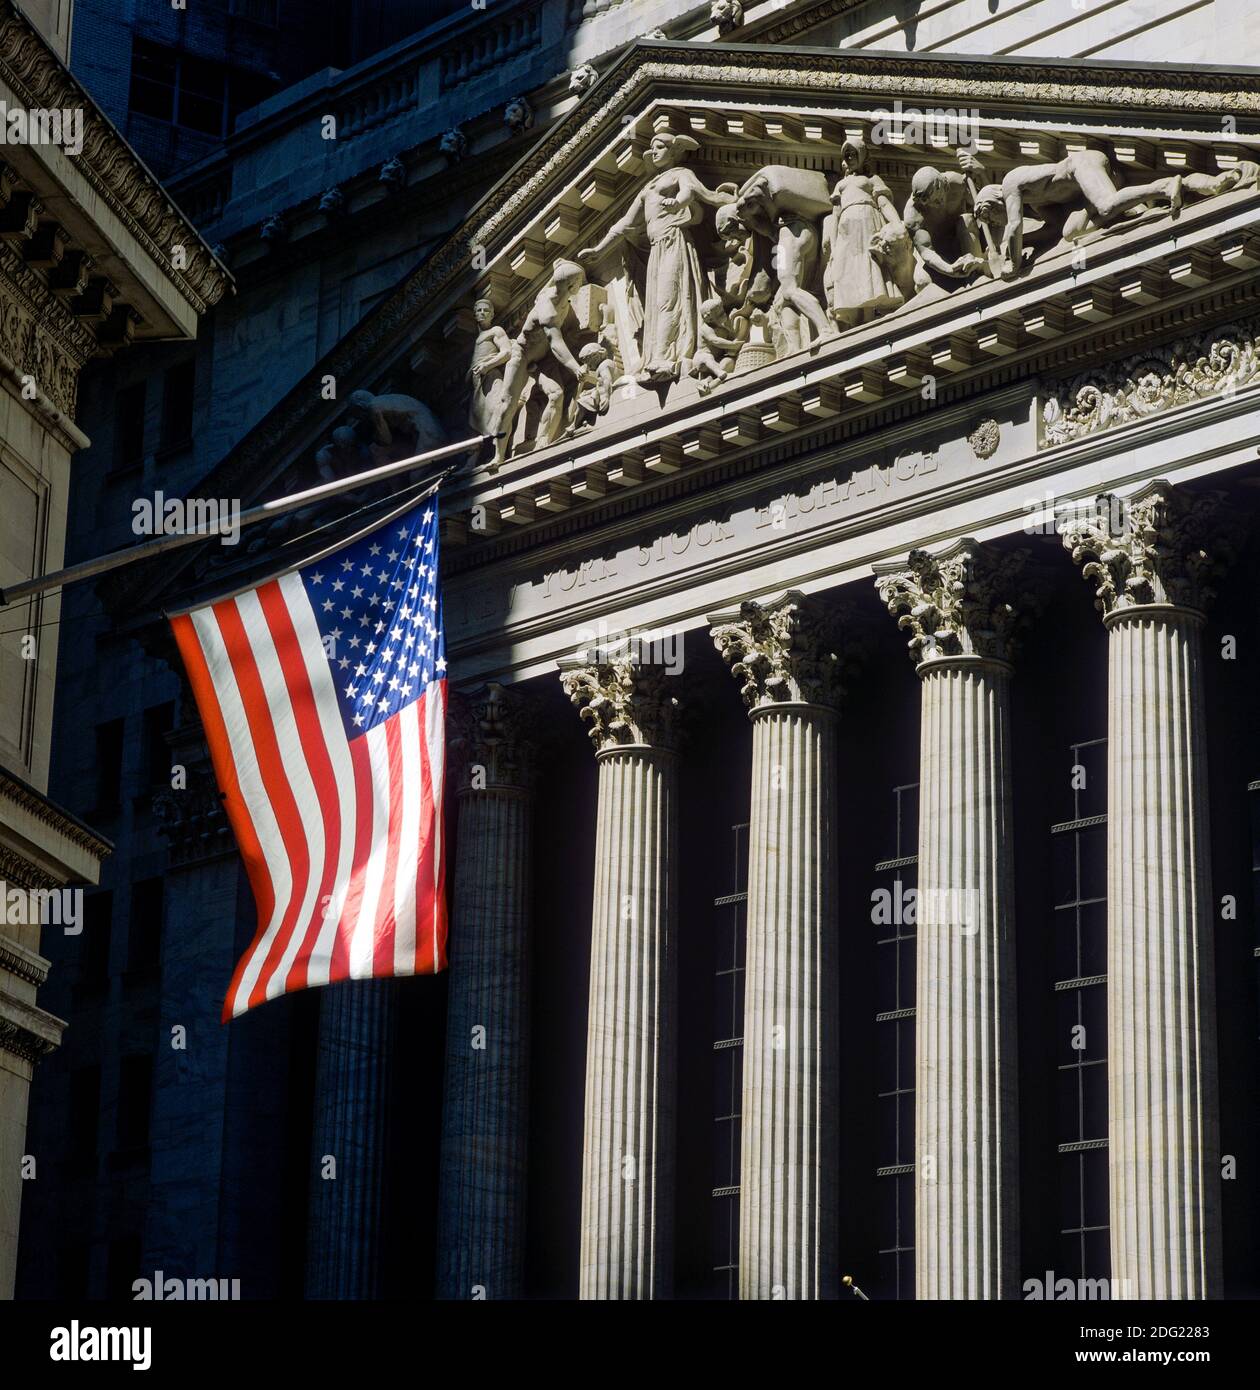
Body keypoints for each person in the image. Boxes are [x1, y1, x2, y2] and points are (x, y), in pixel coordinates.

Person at [577, 132, 734, 384]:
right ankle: (658, 355)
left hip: (675, 240)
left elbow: (693, 192)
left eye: (661, 147)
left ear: (674, 151)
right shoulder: (647, 189)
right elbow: (625, 223)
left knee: (667, 298)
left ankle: (664, 357)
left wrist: (677, 202)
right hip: (657, 250)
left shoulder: (679, 174)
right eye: (653, 148)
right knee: (657, 303)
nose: (656, 152)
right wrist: (599, 250)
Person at [975, 147, 1182, 278]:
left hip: (1082, 165)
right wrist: (1025, 242)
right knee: (1069, 232)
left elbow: (1014, 226)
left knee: (1106, 205)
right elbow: (1053, 230)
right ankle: (1126, 210)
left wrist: (1013, 264)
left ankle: (1164, 187)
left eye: (992, 219)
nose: (996, 223)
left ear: (994, 203)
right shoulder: (1037, 204)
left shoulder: (1010, 183)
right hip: (1084, 191)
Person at [487, 259, 586, 469]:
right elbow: (556, 343)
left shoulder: (557, 294)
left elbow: (554, 275)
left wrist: (559, 265)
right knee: (508, 402)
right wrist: (576, 368)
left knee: (556, 394)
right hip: (522, 355)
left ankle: (542, 444)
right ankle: (497, 456)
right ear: (571, 285)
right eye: (578, 281)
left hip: (544, 358)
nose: (580, 285)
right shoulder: (547, 308)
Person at [821, 137, 906, 328]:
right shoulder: (841, 185)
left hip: (868, 221)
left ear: (863, 156)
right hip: (846, 229)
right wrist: (833, 248)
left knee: (869, 264)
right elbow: (834, 216)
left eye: (854, 153)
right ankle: (858, 317)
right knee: (849, 267)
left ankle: (870, 314)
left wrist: (896, 223)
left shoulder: (871, 180)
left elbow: (883, 203)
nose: (850, 157)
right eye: (847, 154)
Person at [466, 298, 512, 437]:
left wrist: (487, 365)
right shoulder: (476, 339)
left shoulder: (495, 331)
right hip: (477, 382)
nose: (482, 313)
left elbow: (506, 352)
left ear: (492, 315)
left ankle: (501, 445)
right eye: (479, 310)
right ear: (474, 315)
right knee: (479, 419)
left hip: (491, 376)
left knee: (497, 408)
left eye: (486, 310)